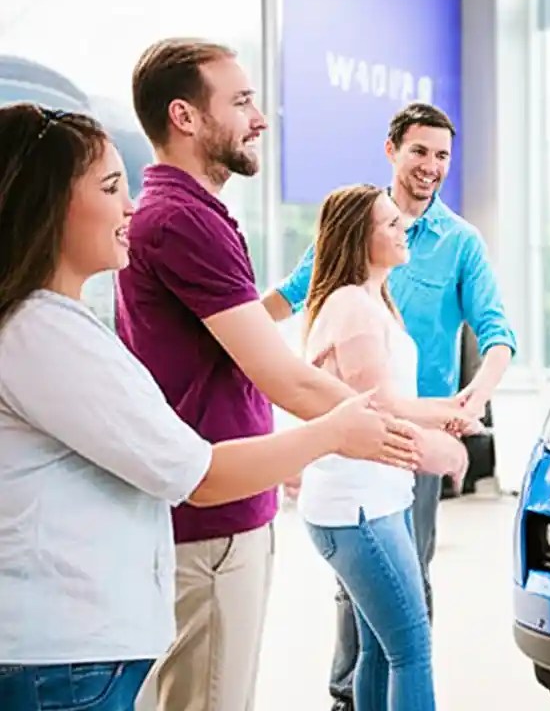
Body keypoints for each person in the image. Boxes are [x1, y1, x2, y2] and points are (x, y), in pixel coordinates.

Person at [0, 102, 418, 711]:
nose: (129, 208)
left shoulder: (56, 324)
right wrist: (335, 431)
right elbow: (201, 472)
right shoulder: (43, 334)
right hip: (64, 661)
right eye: (111, 187)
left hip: (78, 651)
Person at [114, 39, 451, 711]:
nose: (259, 117)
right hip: (212, 520)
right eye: (240, 102)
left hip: (218, 507)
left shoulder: (188, 215)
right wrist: (414, 442)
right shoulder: (182, 220)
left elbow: (266, 355)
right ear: (184, 117)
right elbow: (285, 379)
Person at [262, 102, 517, 710]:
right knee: (367, 591)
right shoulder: (355, 237)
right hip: (382, 440)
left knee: (401, 585)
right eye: (420, 151)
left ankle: (363, 694)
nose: (431, 166)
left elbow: (496, 332)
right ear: (391, 151)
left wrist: (469, 402)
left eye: (442, 156)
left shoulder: (459, 242)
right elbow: (295, 295)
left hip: (418, 436)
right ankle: (346, 697)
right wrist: (224, 334)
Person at [298, 183, 481, 710]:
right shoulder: (352, 305)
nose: (405, 230)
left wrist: (450, 412)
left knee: (380, 649)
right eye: (391, 224)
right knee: (410, 648)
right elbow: (376, 406)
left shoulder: (371, 300)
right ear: (359, 237)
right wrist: (445, 443)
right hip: (358, 508)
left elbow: (390, 396)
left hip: (375, 501)